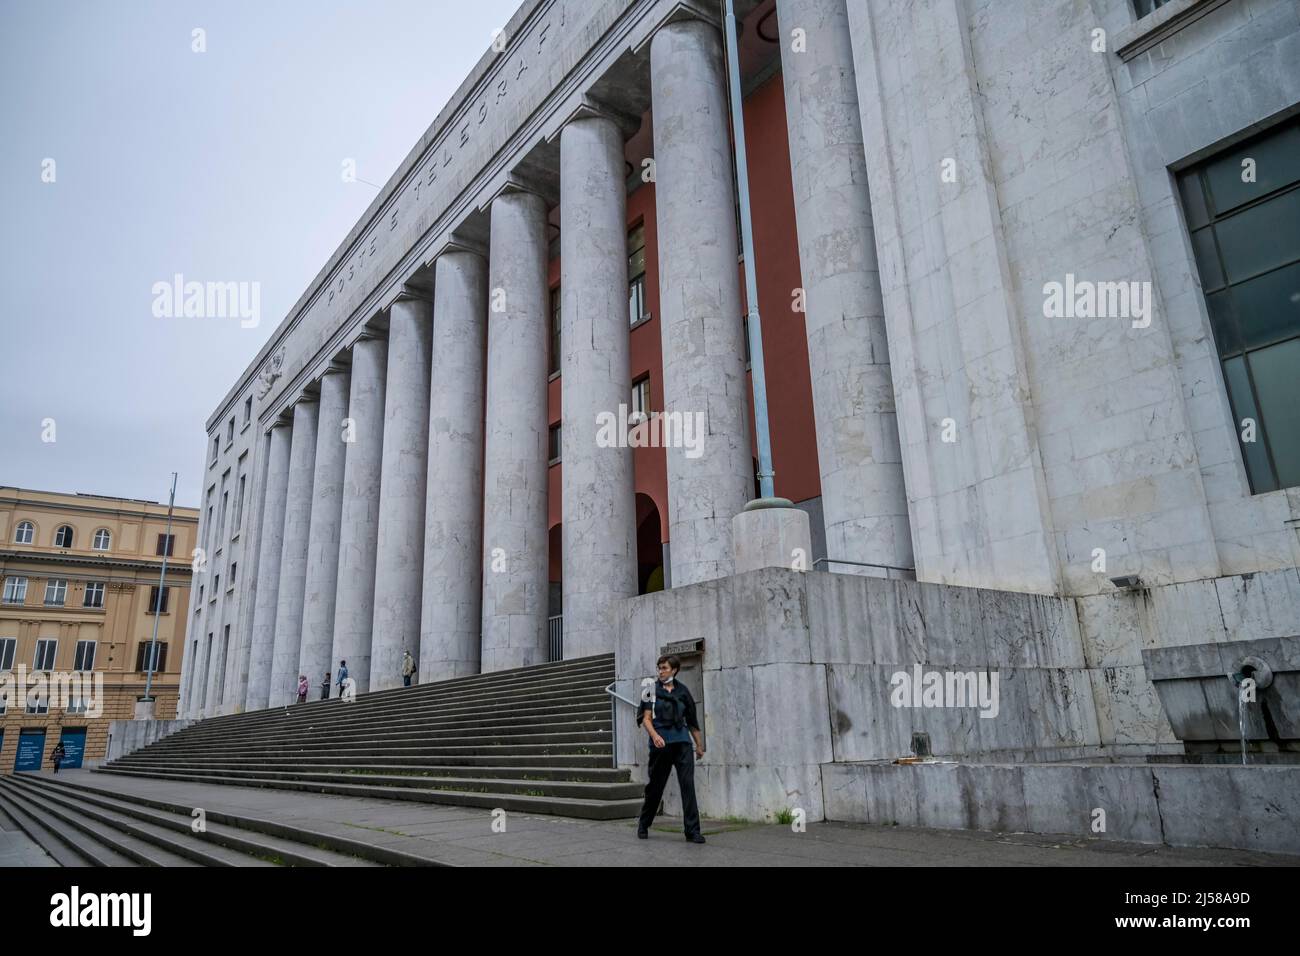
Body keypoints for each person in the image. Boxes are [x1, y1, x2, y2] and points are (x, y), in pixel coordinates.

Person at [635, 654, 705, 843]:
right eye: (659, 668)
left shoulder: (683, 691)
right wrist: (655, 736)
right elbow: (646, 719)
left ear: (674, 670)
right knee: (655, 788)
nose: (661, 671)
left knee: (688, 786)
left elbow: (692, 721)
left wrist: (699, 746)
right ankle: (644, 824)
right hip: (661, 744)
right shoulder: (650, 689)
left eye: (664, 668)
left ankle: (692, 831)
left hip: (682, 743)